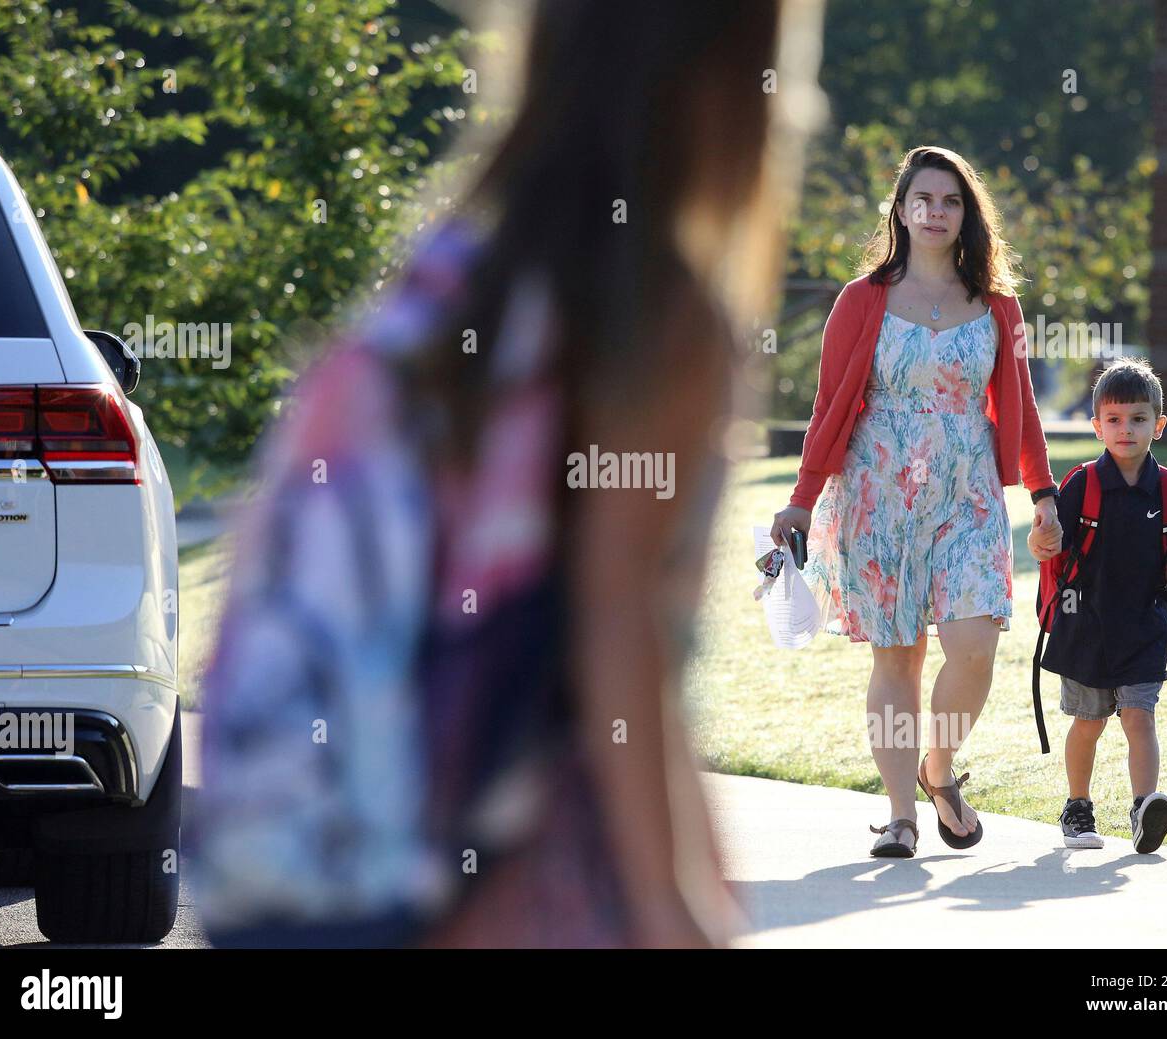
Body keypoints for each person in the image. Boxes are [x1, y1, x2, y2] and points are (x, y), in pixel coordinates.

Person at [197, 0, 824, 948]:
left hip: (331, 850)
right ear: (734, 81)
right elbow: (620, 623)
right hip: (520, 862)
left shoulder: (452, 280)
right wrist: (676, 909)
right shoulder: (658, 313)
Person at [770, 145, 1063, 857]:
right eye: (923, 200)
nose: (936, 212)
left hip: (966, 493)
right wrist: (802, 501)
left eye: (951, 201)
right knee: (897, 659)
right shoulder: (862, 298)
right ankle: (901, 814)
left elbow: (1018, 402)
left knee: (975, 646)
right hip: (877, 493)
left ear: (968, 215)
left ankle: (939, 770)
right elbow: (828, 406)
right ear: (900, 211)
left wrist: (1044, 491)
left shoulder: (998, 304)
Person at [1031, 358, 1167, 854]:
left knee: (1139, 717)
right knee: (1088, 722)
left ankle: (1144, 806)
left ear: (1158, 424)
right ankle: (1078, 806)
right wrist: (1038, 541)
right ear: (1096, 426)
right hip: (1083, 624)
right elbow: (1048, 544)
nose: (1125, 429)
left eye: (1137, 418)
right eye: (1113, 419)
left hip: (1145, 626)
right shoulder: (1081, 485)